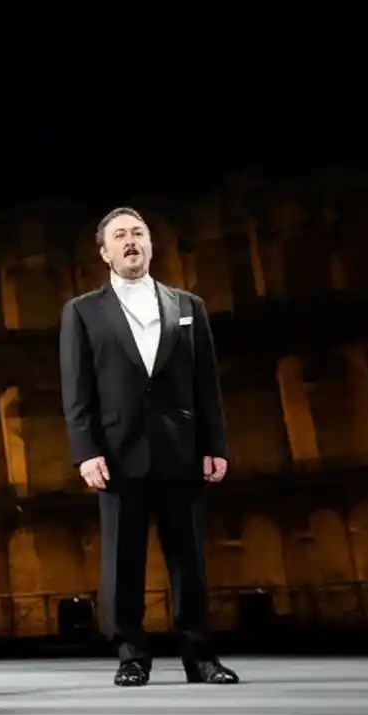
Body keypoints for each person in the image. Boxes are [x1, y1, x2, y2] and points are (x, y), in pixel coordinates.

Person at [58, 206, 239, 687]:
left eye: (138, 232)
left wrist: (215, 444)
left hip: (182, 447)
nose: (131, 240)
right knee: (123, 560)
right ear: (104, 252)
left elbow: (207, 384)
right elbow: (76, 391)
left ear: (151, 245)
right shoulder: (81, 311)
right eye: (120, 235)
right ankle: (132, 655)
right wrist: (86, 451)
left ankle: (201, 656)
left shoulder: (188, 306)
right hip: (117, 452)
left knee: (190, 559)